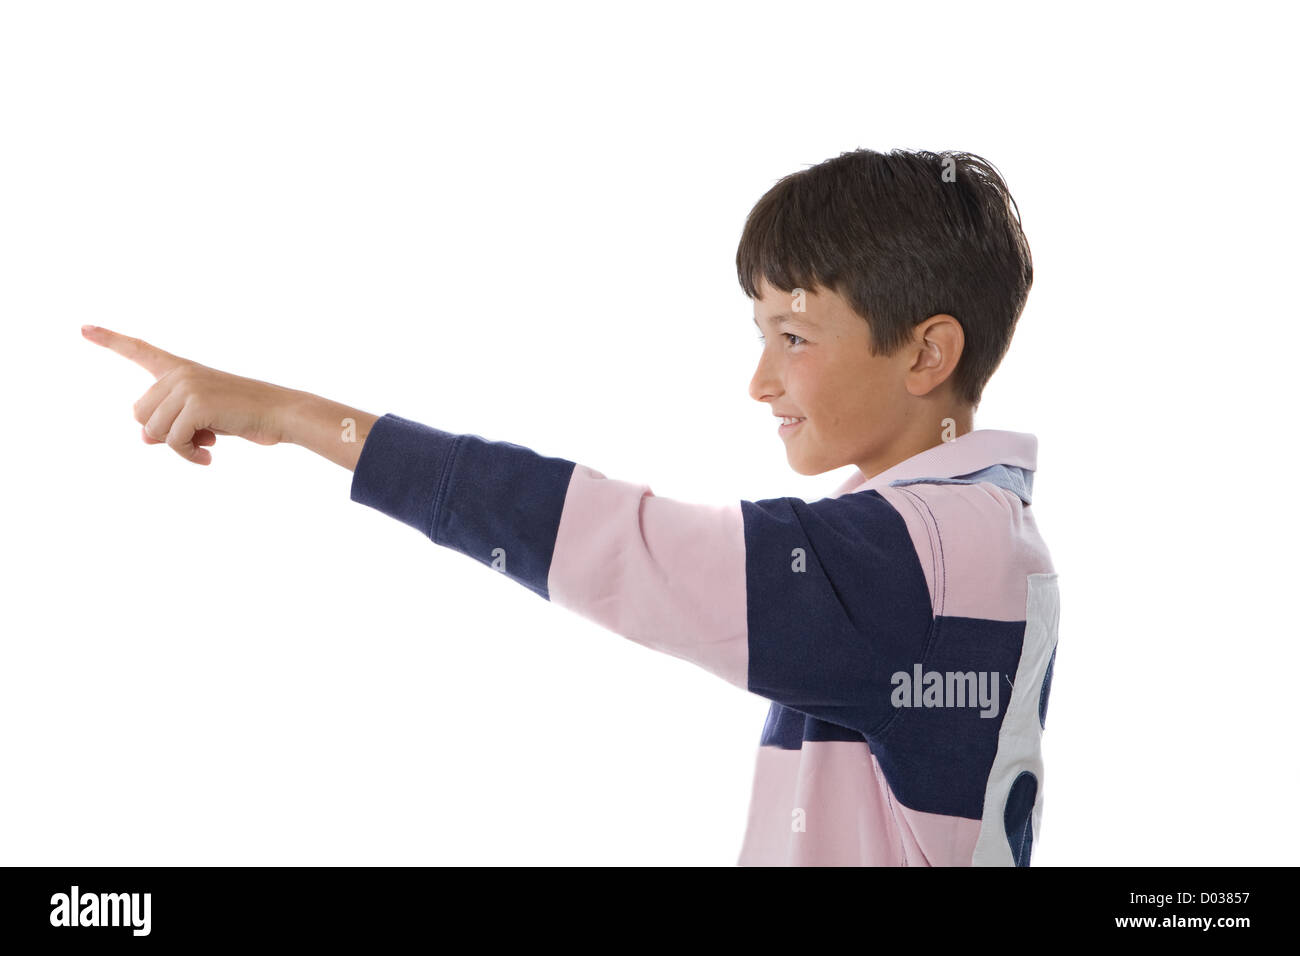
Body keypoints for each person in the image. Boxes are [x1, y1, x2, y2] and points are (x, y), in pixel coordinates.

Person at [82, 148, 1059, 866]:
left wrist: (291, 416)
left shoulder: (916, 554)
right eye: (760, 333)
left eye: (794, 335)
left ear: (927, 354)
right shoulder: (961, 528)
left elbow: (603, 537)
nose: (759, 379)